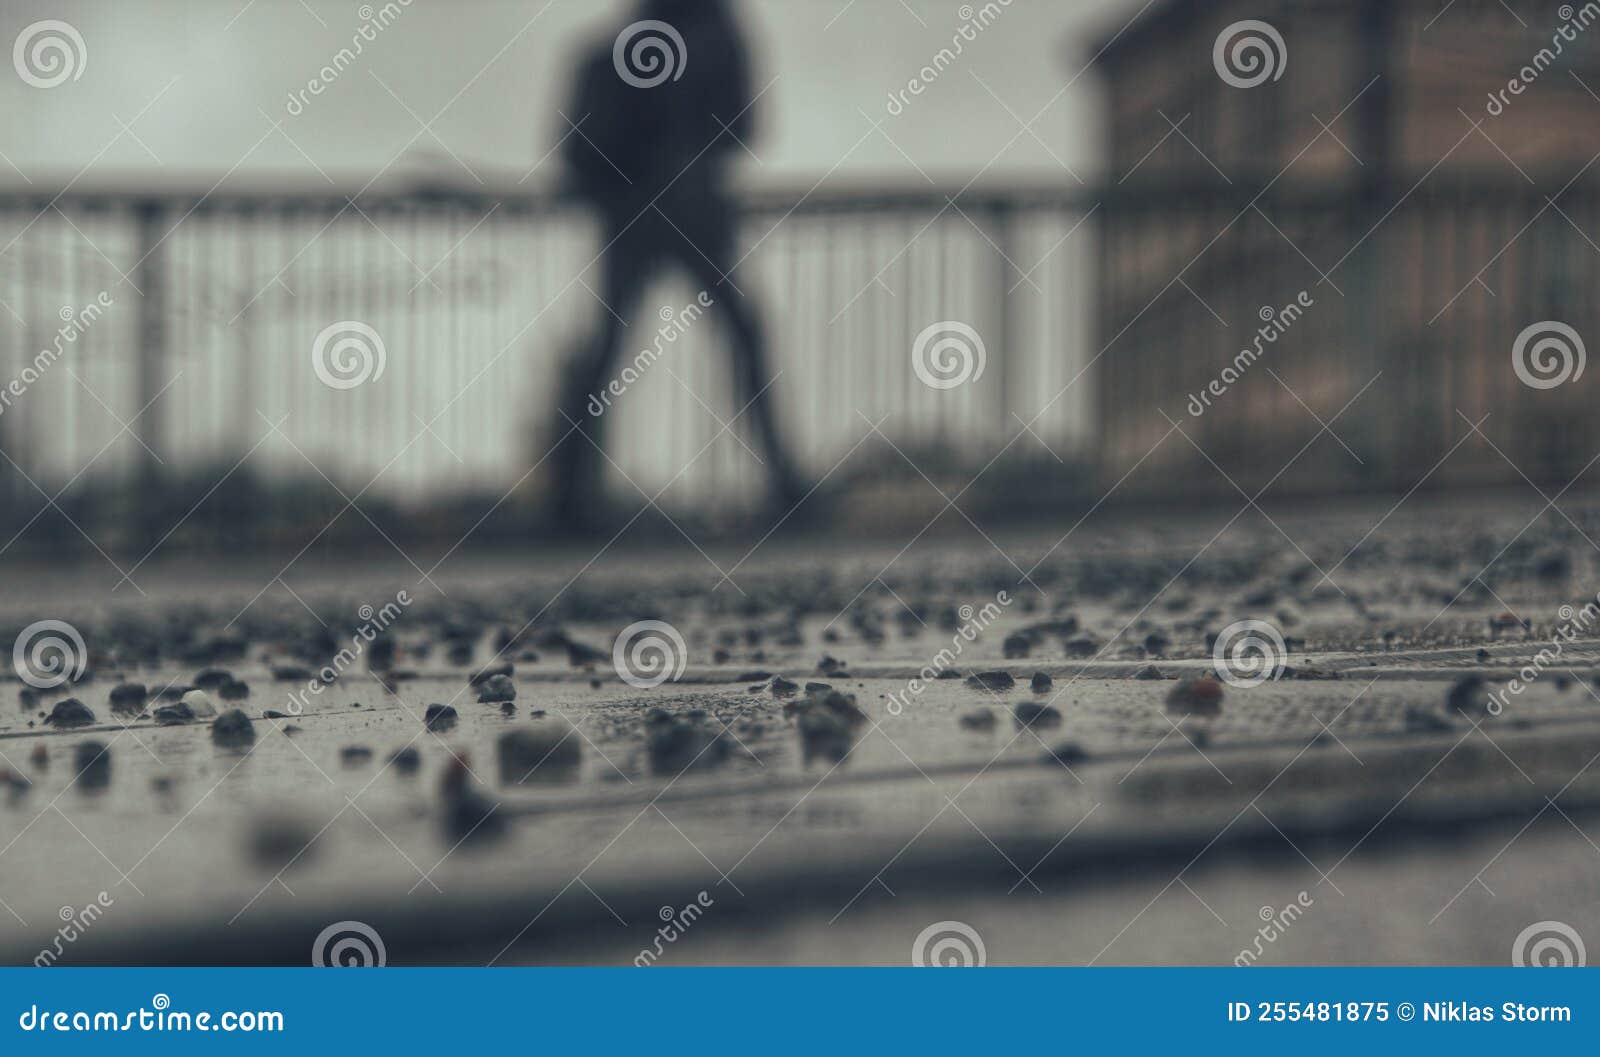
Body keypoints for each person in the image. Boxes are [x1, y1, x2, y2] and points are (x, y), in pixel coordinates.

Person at [549, 0, 804, 531]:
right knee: (730, 341)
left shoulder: (622, 53)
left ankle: (571, 496)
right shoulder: (703, 41)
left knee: (611, 350)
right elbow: (741, 126)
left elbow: (738, 126)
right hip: (682, 219)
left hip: (647, 220)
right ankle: (784, 485)